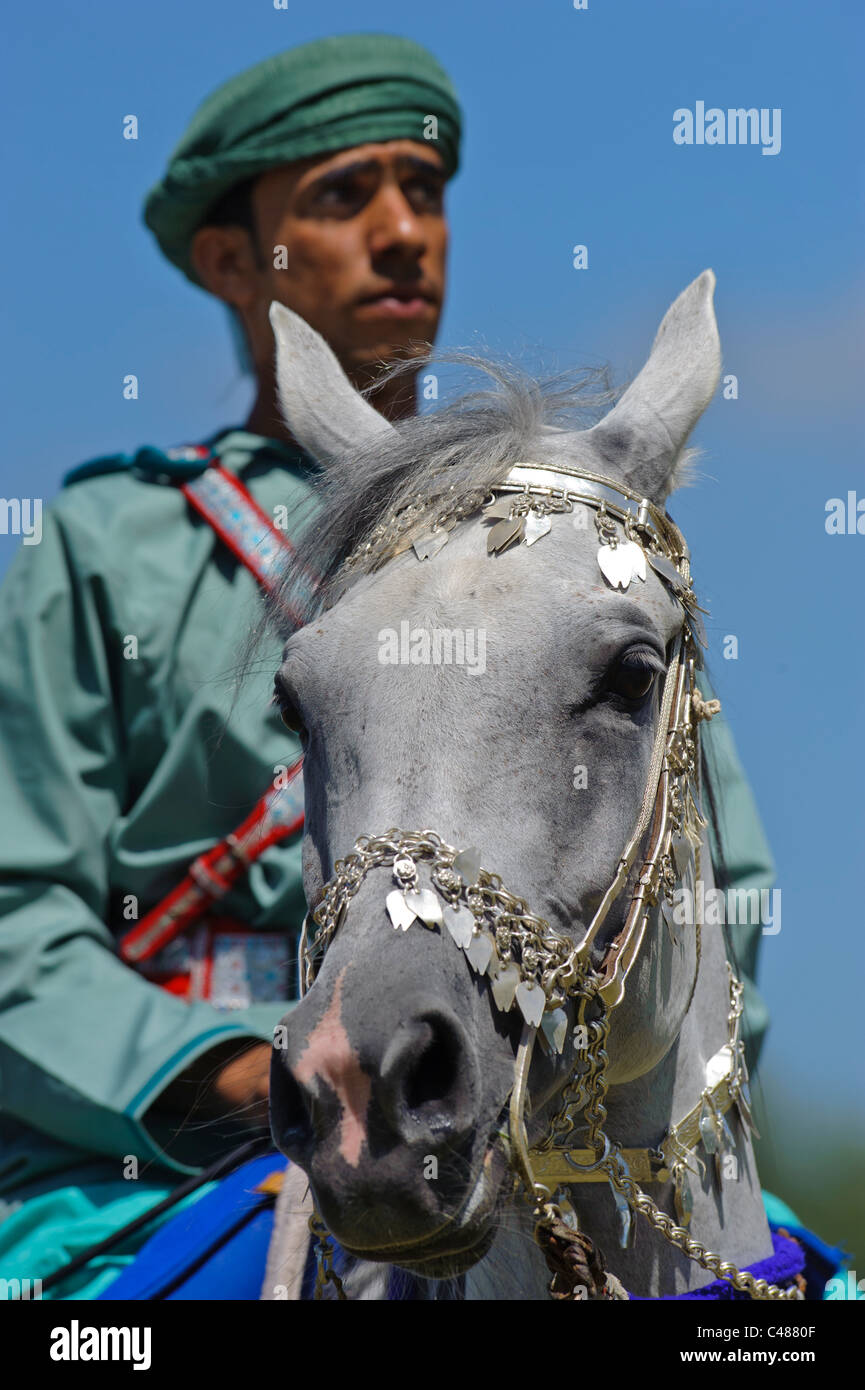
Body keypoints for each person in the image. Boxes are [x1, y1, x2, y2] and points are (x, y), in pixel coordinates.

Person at [0, 32, 771, 1301]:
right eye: (343, 197)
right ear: (230, 258)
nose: (404, 230)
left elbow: (708, 870)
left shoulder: (568, 548)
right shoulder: (107, 544)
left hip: (541, 1112)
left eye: (425, 192)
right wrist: (245, 1074)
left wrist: (623, 1087)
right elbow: (19, 917)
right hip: (165, 1154)